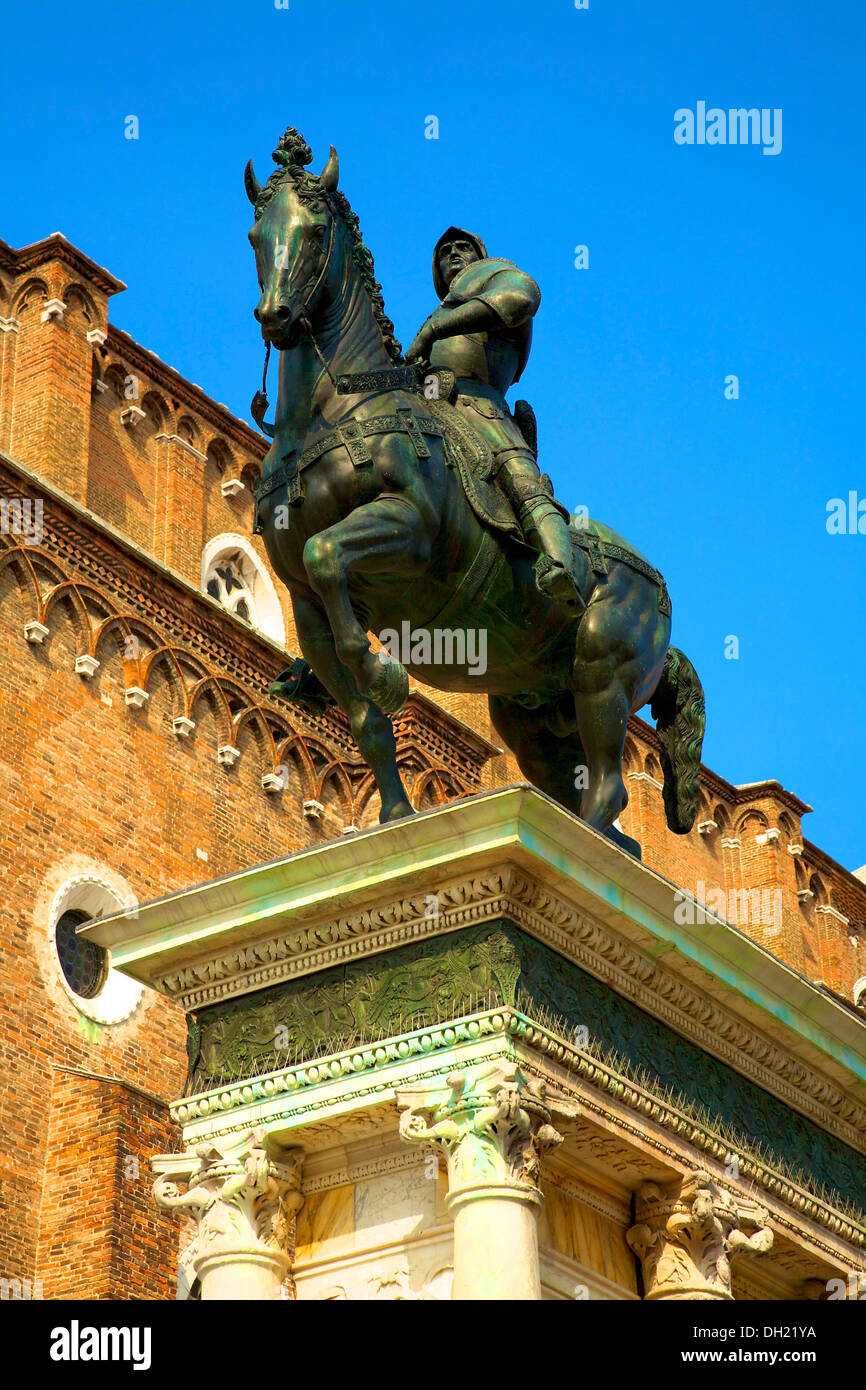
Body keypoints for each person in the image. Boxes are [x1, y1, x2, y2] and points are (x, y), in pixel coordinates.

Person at [406, 226, 585, 611]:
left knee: (519, 478)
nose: (453, 254)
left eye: (462, 247)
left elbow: (521, 299)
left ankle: (558, 563)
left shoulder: (498, 277)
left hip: (480, 404)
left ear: (478, 255)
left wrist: (434, 330)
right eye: (445, 252)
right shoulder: (441, 311)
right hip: (433, 402)